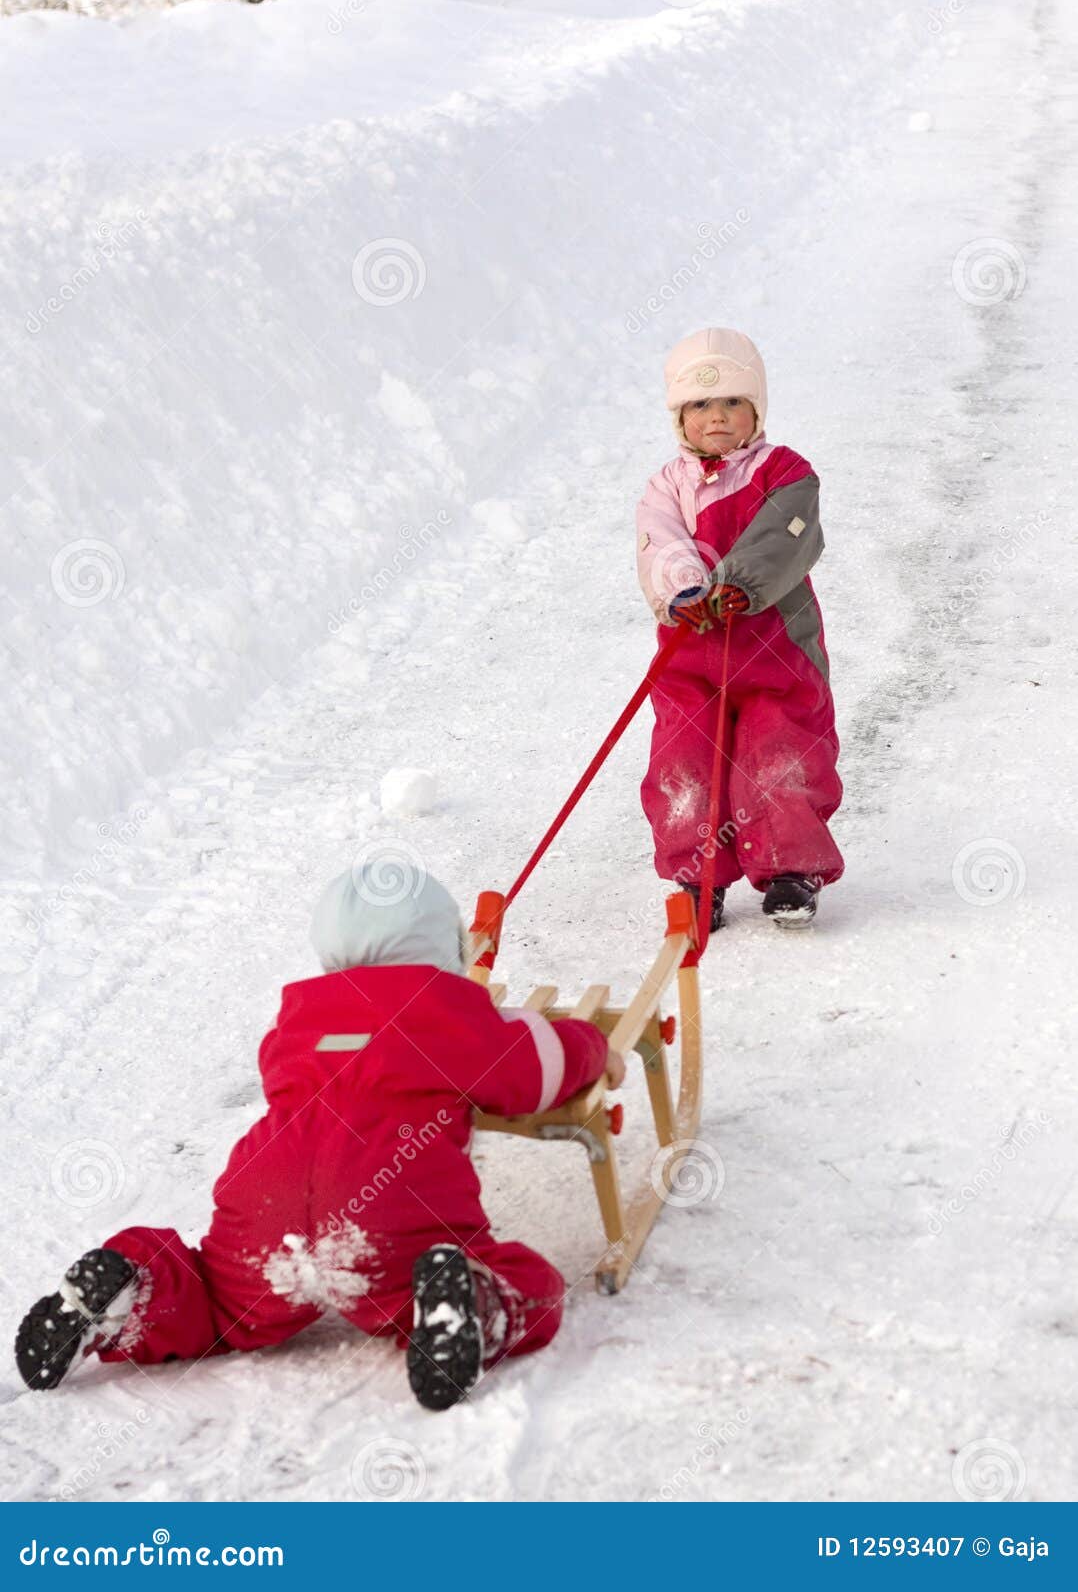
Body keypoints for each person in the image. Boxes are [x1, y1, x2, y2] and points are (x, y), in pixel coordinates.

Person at [15, 865, 623, 1411]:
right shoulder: (451, 1017)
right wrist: (593, 1049)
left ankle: (132, 1290)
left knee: (219, 1307)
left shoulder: (301, 1017)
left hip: (265, 1203)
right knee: (534, 1281)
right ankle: (470, 1301)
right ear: (446, 947)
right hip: (389, 1212)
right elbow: (533, 1069)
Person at [636, 326, 844, 929]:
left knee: (779, 748)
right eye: (699, 405)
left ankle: (789, 868)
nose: (717, 416)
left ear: (757, 408)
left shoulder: (785, 470)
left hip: (774, 645)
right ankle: (697, 876)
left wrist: (738, 585)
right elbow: (659, 542)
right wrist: (685, 591)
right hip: (690, 647)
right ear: (680, 416)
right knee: (685, 756)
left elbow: (787, 531)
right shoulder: (666, 485)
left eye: (732, 401)